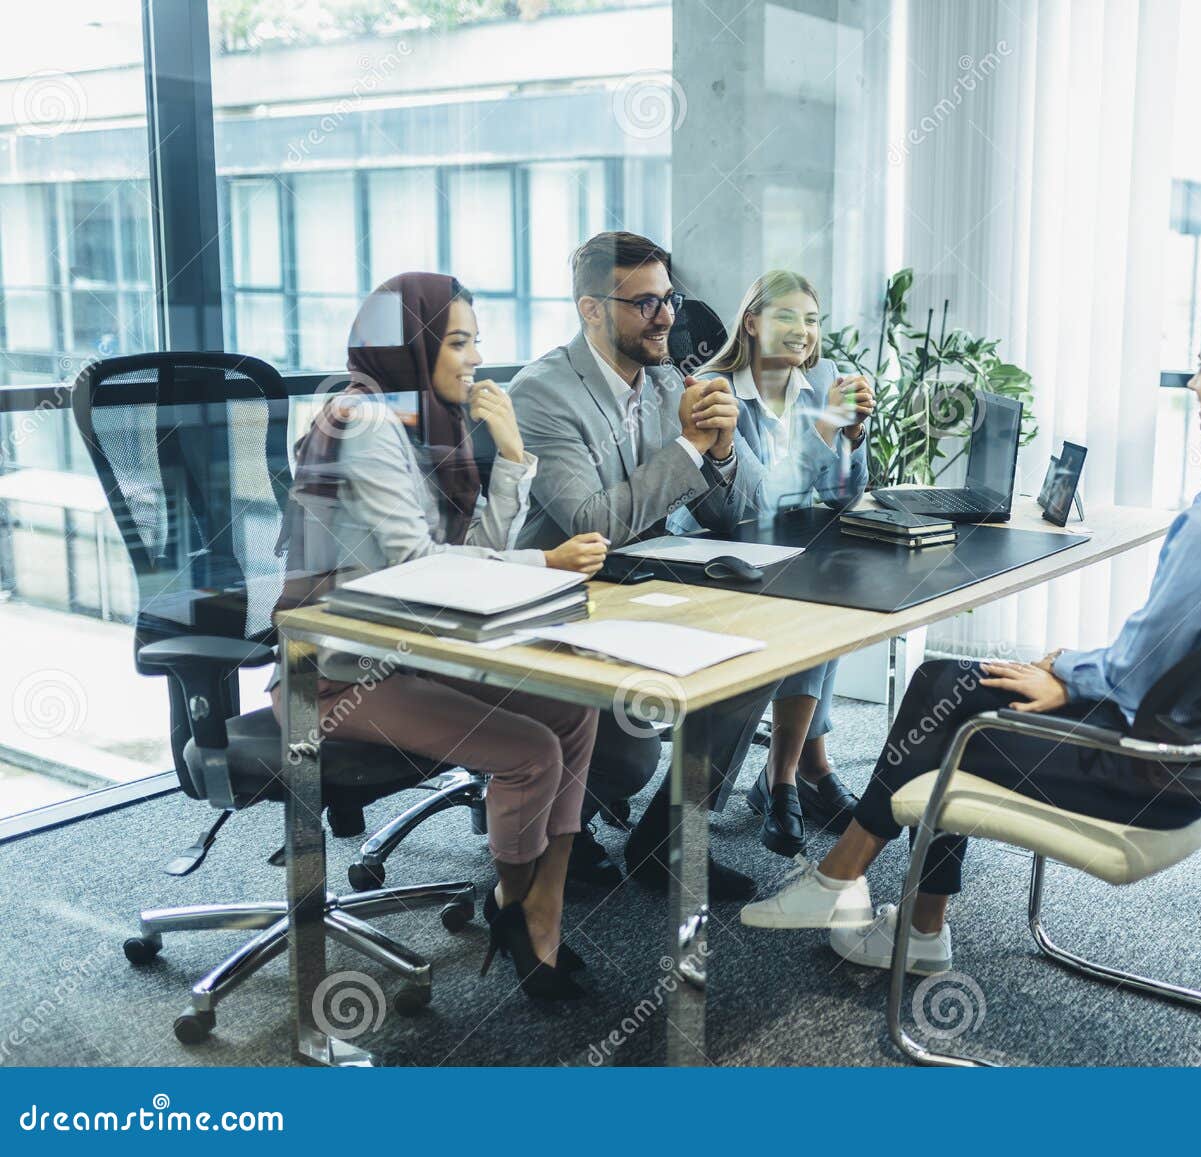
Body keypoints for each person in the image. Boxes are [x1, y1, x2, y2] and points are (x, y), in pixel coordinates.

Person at [738, 290, 1201, 974]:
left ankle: (848, 885)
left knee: (946, 709)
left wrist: (1066, 670)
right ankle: (898, 914)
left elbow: (1139, 666)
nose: (1193, 383)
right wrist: (1069, 672)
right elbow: (1177, 658)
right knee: (946, 683)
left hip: (1139, 767)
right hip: (1195, 755)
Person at [275, 272, 610, 1002]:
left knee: (574, 709)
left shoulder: (420, 422)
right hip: (332, 676)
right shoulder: (365, 422)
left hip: (408, 650)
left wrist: (512, 456)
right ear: (412, 345)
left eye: (476, 341)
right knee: (531, 751)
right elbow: (421, 567)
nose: (476, 359)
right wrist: (544, 563)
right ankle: (517, 909)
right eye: (458, 342)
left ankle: (536, 907)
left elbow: (469, 561)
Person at [507, 232, 773, 901]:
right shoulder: (541, 394)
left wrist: (721, 449)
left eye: (669, 299)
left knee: (761, 656)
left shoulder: (668, 379)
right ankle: (545, 822)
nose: (666, 317)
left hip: (641, 590)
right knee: (630, 754)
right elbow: (591, 522)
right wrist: (688, 448)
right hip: (558, 603)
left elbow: (747, 512)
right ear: (591, 309)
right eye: (645, 303)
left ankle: (667, 840)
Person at [692, 270, 874, 856]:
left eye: (812, 319)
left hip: (786, 549)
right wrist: (824, 429)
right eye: (787, 316)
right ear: (751, 322)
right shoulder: (714, 388)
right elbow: (752, 501)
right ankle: (789, 776)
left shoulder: (819, 381)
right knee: (810, 601)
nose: (803, 331)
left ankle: (797, 772)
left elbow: (844, 495)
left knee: (836, 587)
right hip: (714, 552)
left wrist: (852, 437)